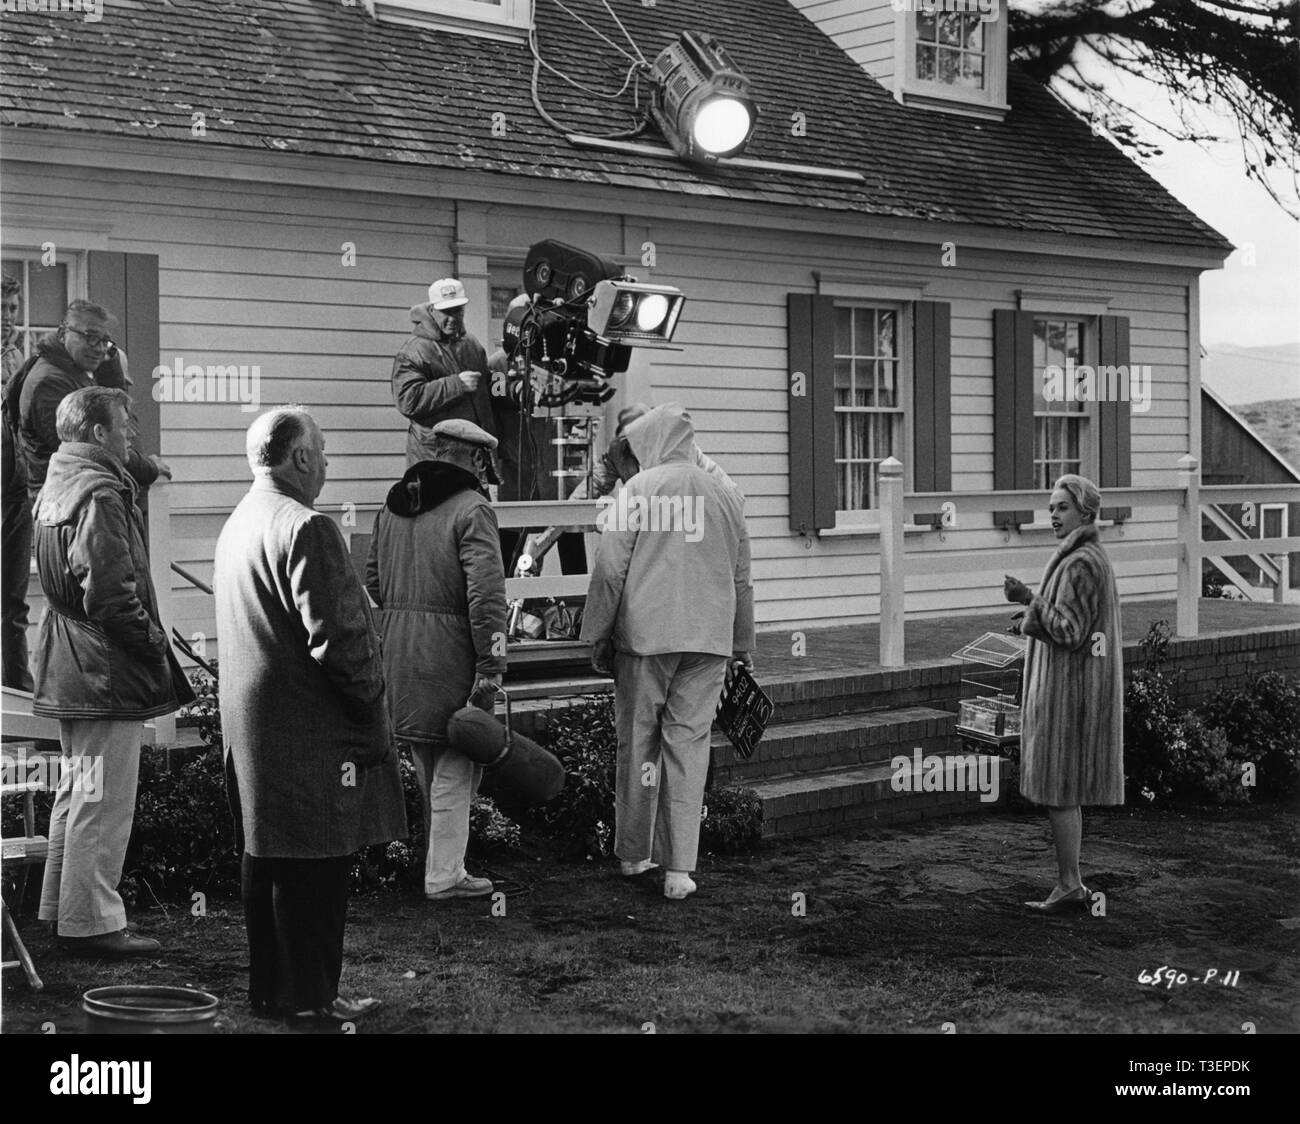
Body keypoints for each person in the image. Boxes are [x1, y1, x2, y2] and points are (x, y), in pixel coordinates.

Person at [214, 407, 406, 1021]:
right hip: (310, 724)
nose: (326, 463)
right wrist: (373, 710)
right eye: (321, 451)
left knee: (266, 859)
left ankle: (274, 991)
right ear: (299, 458)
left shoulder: (240, 519)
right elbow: (340, 642)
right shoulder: (308, 527)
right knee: (319, 867)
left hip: (254, 722)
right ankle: (313, 1001)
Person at [32, 386, 195, 954]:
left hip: (65, 660)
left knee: (77, 794)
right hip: (102, 667)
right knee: (102, 802)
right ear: (99, 434)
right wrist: (154, 644)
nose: (131, 435)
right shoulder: (100, 492)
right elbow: (111, 596)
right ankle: (93, 924)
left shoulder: (57, 484)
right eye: (125, 425)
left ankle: (61, 913)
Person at [580, 402, 754, 900]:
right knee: (689, 745)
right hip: (709, 639)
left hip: (645, 637)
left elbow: (610, 570)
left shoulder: (638, 490)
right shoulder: (724, 493)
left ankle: (635, 853)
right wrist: (742, 643)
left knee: (637, 741)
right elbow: (742, 577)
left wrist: (597, 633)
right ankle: (680, 868)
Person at [366, 418, 506, 901]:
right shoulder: (473, 509)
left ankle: (437, 863)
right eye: (483, 458)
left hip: (401, 649)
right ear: (472, 456)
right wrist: (492, 664)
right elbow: (486, 596)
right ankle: (445, 874)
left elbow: (373, 582)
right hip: (452, 652)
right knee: (457, 760)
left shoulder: (393, 504)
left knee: (426, 760)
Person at [1003, 473, 1123, 913]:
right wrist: (1029, 615)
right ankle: (1069, 883)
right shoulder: (1082, 557)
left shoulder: (1081, 563)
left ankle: (1070, 884)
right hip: (1071, 689)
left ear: (1086, 512)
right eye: (1051, 506)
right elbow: (1065, 621)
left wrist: (1027, 599)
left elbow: (1068, 631)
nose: (1053, 513)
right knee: (1061, 790)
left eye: (1062, 507)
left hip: (1070, 694)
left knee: (1060, 790)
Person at [519, 400, 742, 576]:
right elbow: (586, 492)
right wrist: (542, 545)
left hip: (700, 528)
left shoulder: (680, 452)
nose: (634, 443)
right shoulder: (619, 451)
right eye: (629, 438)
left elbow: (717, 499)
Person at [9, 299, 169, 500]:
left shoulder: (72, 374)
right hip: (65, 505)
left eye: (105, 341)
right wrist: (149, 468)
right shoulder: (50, 383)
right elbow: (100, 449)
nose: (100, 348)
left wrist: (109, 366)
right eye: (91, 337)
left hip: (76, 497)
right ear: (62, 334)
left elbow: (123, 428)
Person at [1, 273, 33, 690]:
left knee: (12, 599)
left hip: (14, 490)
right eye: (0, 308)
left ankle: (16, 692)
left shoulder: (15, 358)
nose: (8, 317)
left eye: (11, 308)